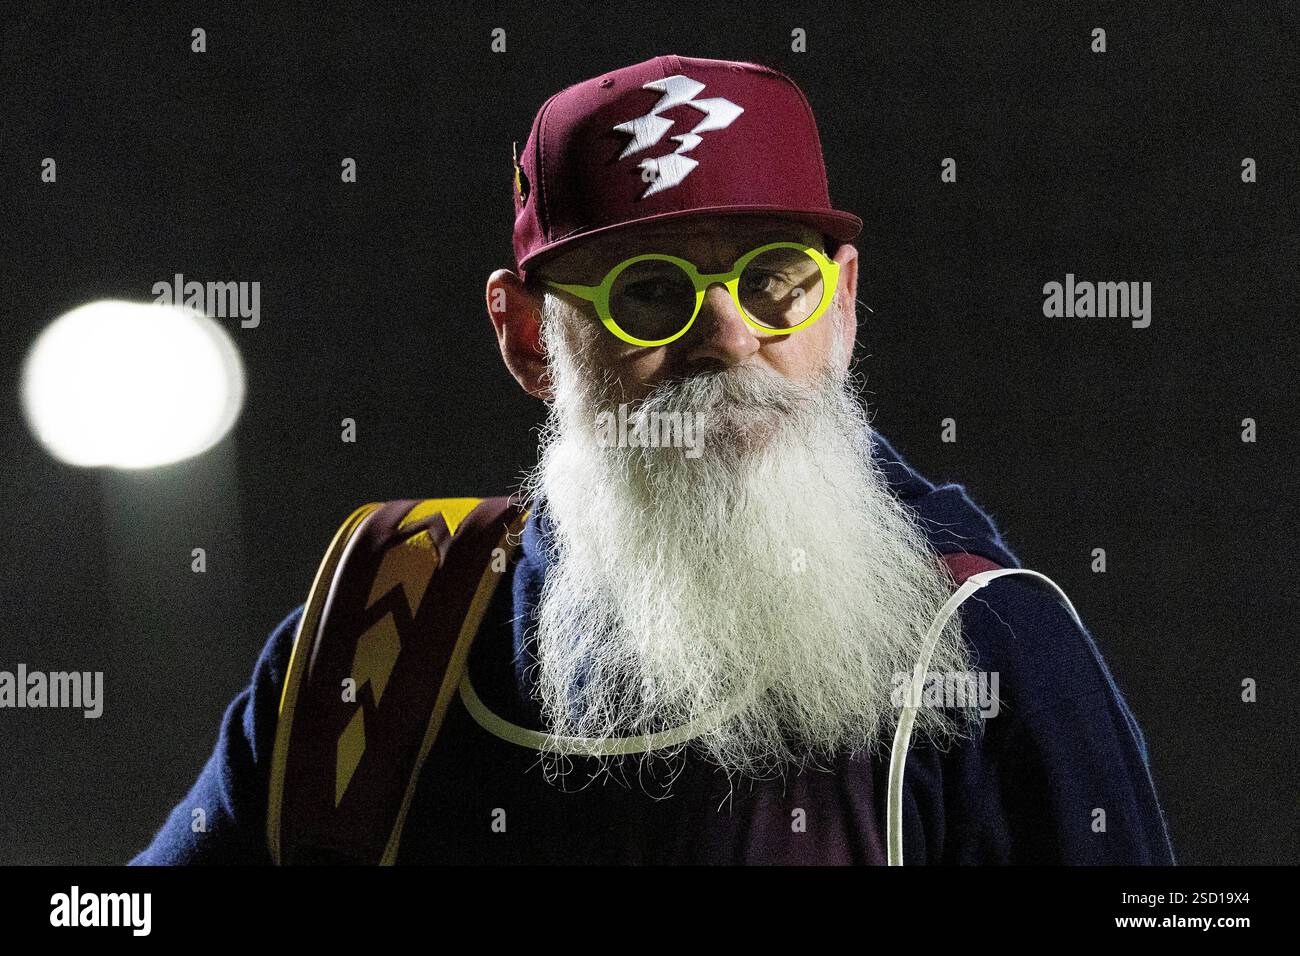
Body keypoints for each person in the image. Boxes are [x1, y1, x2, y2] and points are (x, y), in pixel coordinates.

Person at [131, 54, 1175, 865]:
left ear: (842, 304)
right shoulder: (385, 623)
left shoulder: (983, 642)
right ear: (530, 338)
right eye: (646, 290)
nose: (725, 336)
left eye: (774, 279)